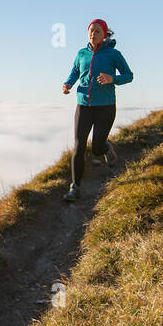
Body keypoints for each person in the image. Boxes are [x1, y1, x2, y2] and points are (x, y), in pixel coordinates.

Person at [61, 18, 132, 202]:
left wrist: (112, 79)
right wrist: (68, 83)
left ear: (104, 35)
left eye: (98, 31)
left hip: (105, 107)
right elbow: (75, 71)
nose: (94, 33)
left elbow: (128, 76)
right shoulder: (81, 53)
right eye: (91, 30)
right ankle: (75, 187)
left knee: (97, 147)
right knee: (79, 146)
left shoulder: (113, 54)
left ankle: (105, 147)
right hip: (83, 105)